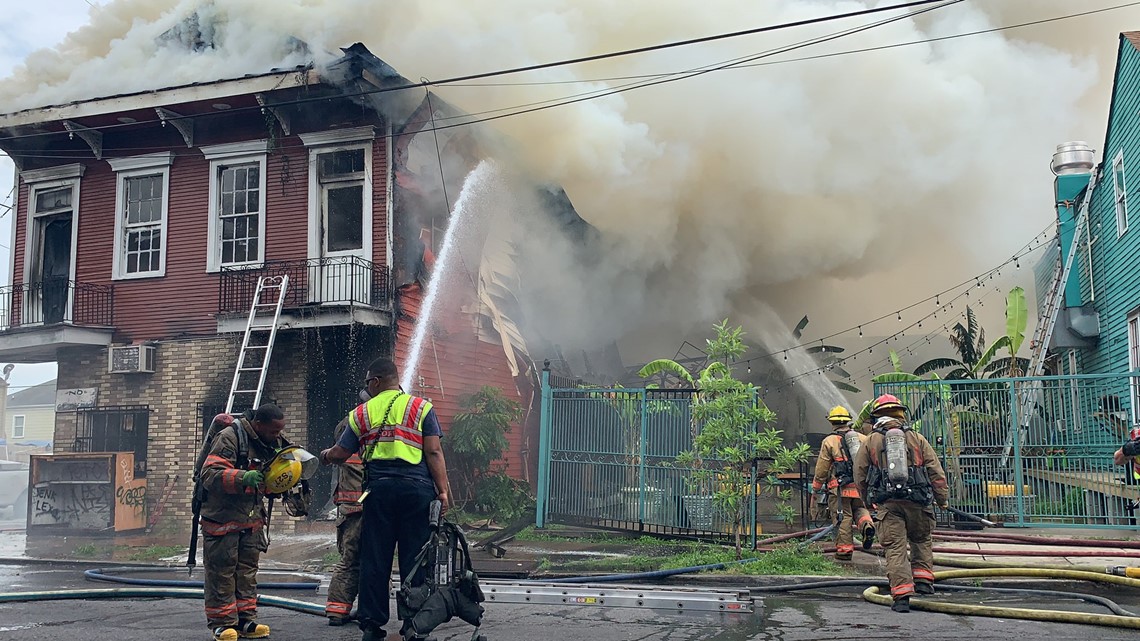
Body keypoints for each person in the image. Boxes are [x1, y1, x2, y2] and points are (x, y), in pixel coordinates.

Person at [320, 358, 451, 641]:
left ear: (376, 381)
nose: (367, 387)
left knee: (375, 559)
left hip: (379, 492)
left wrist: (325, 456)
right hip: (417, 491)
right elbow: (433, 453)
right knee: (415, 559)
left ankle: (371, 625)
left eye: (368, 382)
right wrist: (442, 491)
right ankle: (413, 625)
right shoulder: (421, 408)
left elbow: (341, 453)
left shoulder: (361, 413)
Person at [199, 404, 290, 641]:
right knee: (222, 572)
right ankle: (222, 624)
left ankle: (246, 620)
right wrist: (242, 477)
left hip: (251, 519)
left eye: (280, 431)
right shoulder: (230, 437)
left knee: (247, 573)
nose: (277, 435)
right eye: (273, 431)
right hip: (222, 518)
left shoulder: (270, 442)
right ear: (258, 425)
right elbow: (209, 475)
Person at [853, 394, 949, 613]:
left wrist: (867, 500)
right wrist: (942, 498)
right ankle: (924, 582)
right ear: (900, 413)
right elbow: (936, 472)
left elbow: (860, 474)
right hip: (918, 501)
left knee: (895, 548)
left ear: (876, 415)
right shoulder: (917, 438)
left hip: (888, 504)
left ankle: (902, 596)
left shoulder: (870, 441)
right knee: (921, 539)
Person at [811, 406, 875, 560]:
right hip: (860, 487)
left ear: (831, 422)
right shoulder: (863, 438)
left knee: (843, 517)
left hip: (839, 489)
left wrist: (816, 489)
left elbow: (822, 468)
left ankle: (844, 551)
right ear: (848, 420)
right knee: (860, 510)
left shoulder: (829, 441)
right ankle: (867, 526)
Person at [326, 418, 366, 626]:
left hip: (351, 508)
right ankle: (365, 611)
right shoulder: (358, 426)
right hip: (367, 508)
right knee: (369, 561)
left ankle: (338, 611)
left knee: (350, 560)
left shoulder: (347, 425)